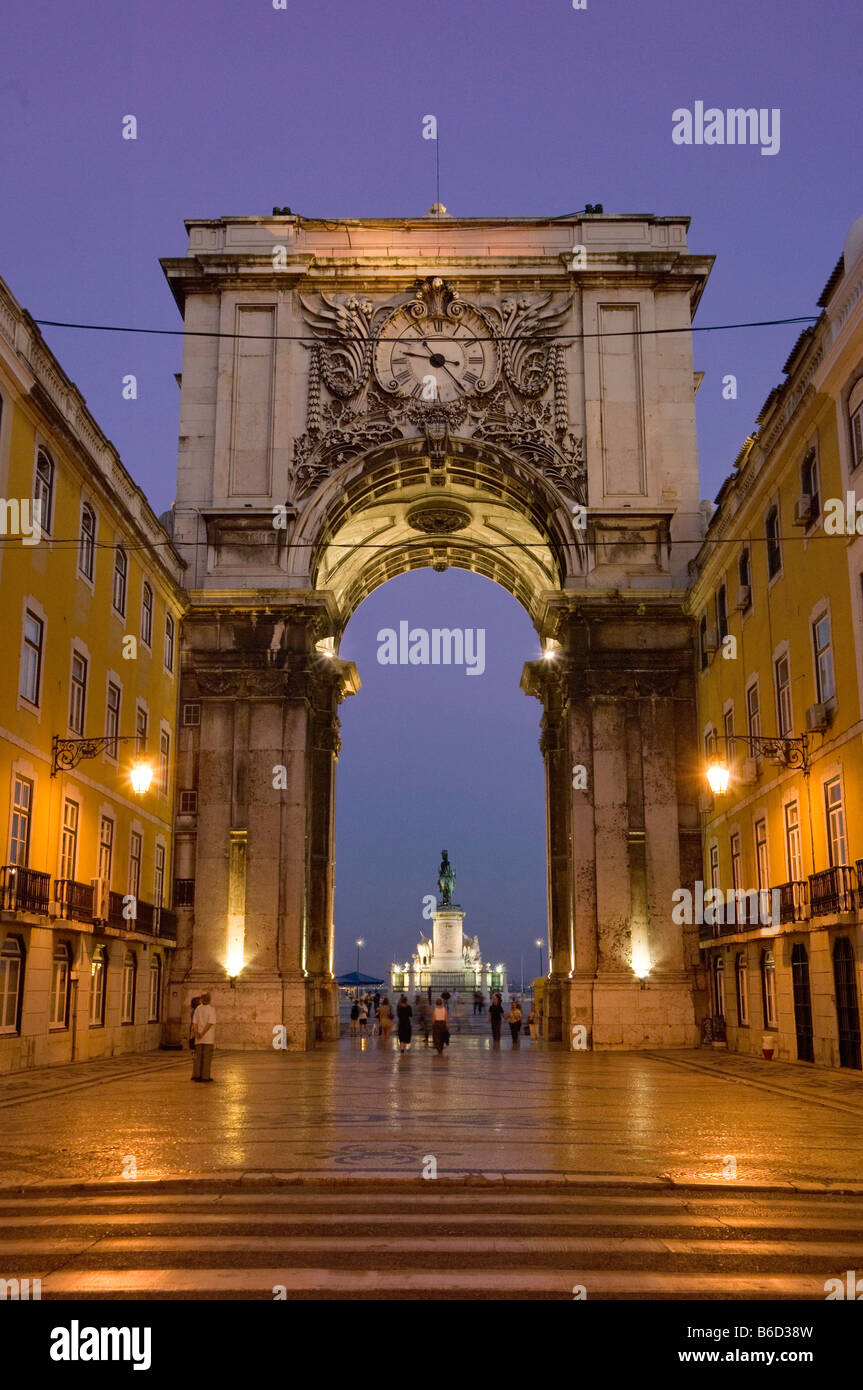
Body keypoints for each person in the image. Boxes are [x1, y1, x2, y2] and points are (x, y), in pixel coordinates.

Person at [191, 992, 216, 1081]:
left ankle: (197, 1075)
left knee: (198, 1057)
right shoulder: (211, 1009)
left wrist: (197, 1033)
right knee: (206, 1057)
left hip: (198, 1037)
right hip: (208, 1037)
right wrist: (203, 1033)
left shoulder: (198, 1009)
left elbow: (195, 1022)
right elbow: (210, 1023)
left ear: (201, 999)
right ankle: (205, 1076)